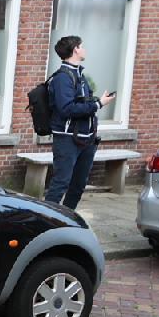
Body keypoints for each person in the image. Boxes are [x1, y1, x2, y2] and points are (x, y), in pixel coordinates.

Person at [45, 35, 114, 211]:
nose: (84, 49)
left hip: (86, 138)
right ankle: (45, 219)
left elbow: (81, 103)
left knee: (78, 185)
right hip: (67, 139)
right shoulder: (62, 78)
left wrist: (98, 100)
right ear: (75, 49)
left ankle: (67, 217)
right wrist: (98, 104)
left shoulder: (79, 74)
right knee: (61, 183)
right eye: (82, 46)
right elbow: (66, 109)